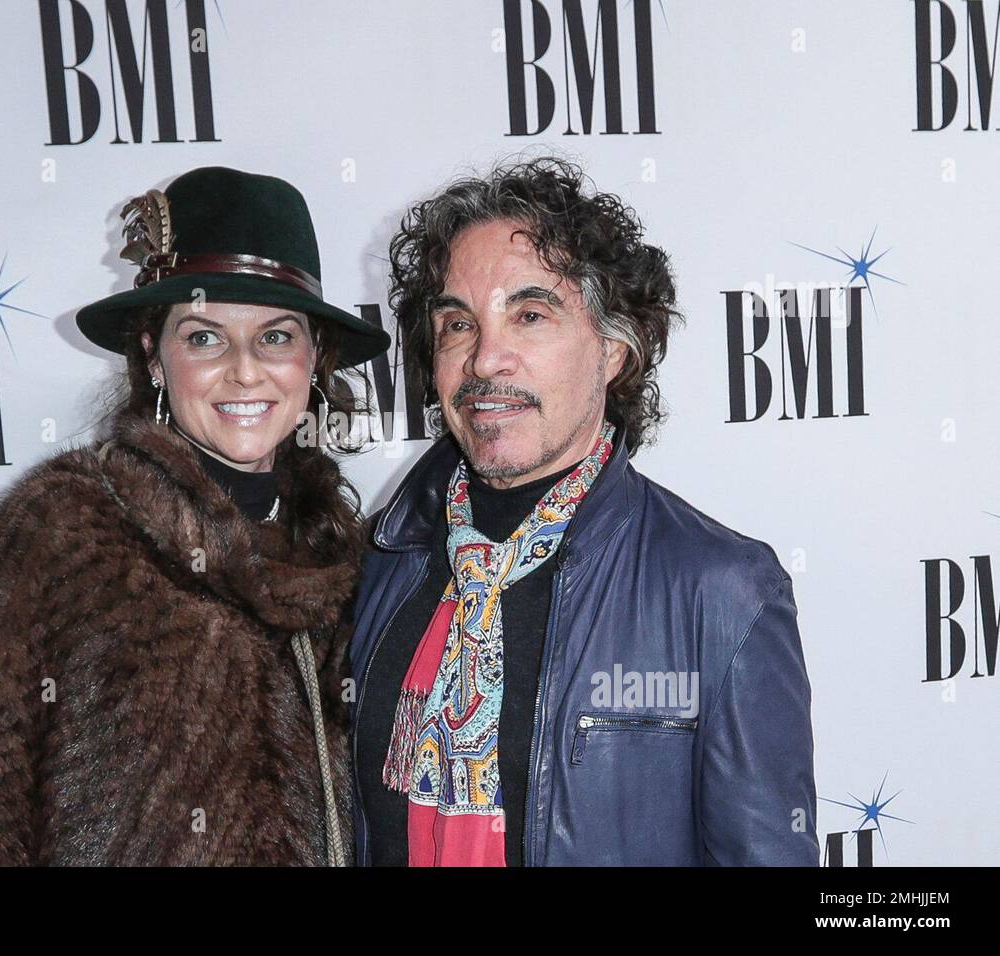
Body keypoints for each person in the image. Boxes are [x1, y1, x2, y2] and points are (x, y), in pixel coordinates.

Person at [0, 165, 390, 865]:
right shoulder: (62, 531)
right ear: (154, 356)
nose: (246, 370)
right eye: (205, 336)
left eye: (276, 337)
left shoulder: (349, 557)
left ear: (317, 358)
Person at [350, 155, 819, 866]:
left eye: (530, 315)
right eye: (457, 324)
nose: (485, 360)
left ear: (613, 350)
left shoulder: (721, 591)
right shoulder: (382, 560)